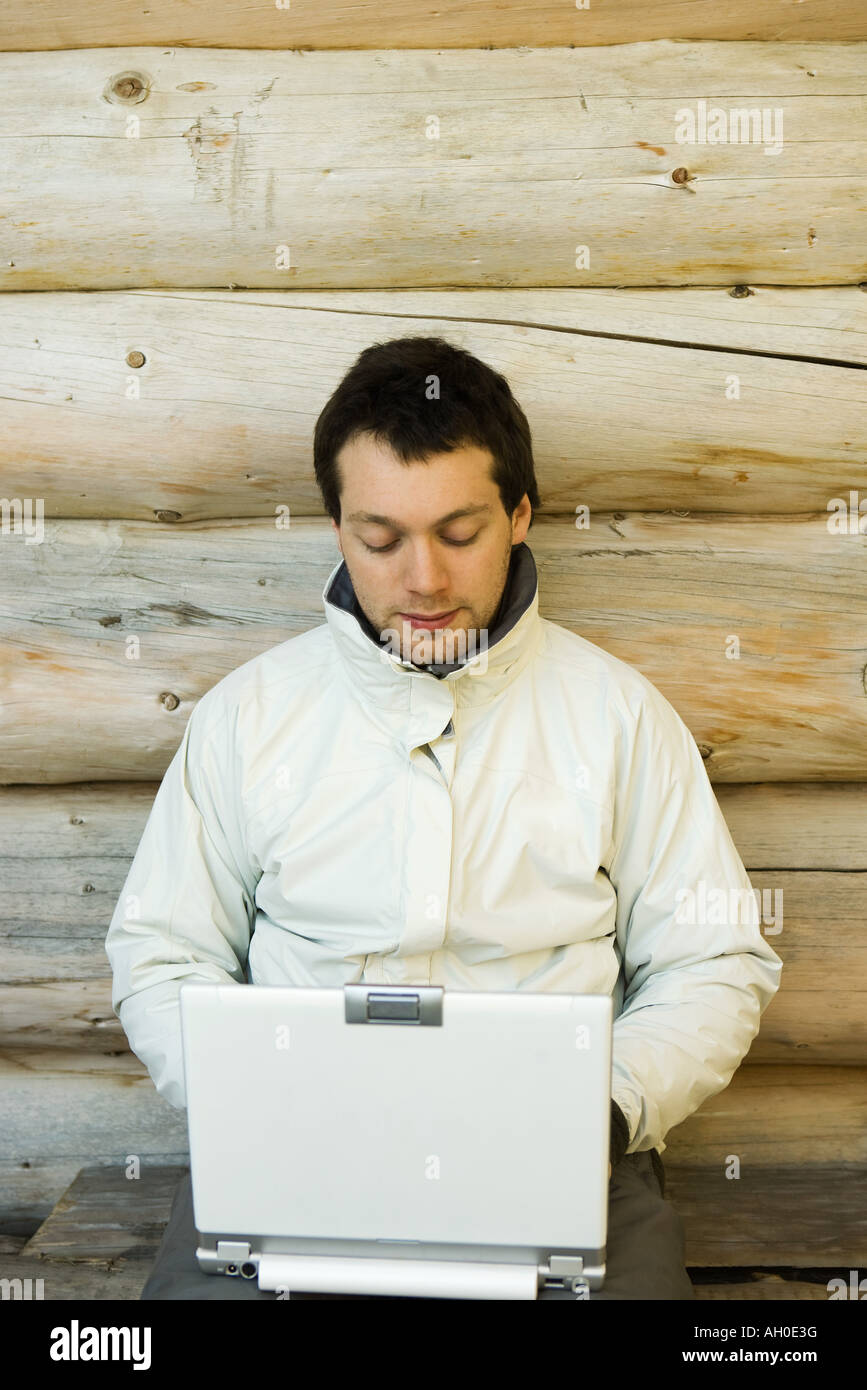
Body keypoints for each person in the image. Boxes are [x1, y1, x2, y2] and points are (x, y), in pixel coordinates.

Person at [105, 335, 782, 1300]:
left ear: (518, 515)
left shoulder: (619, 716)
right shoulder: (246, 720)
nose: (421, 579)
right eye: (380, 539)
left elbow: (713, 961)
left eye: (458, 534)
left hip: (567, 1164)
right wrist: (255, 1102)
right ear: (337, 529)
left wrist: (599, 1112)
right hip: (290, 1157)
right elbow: (161, 951)